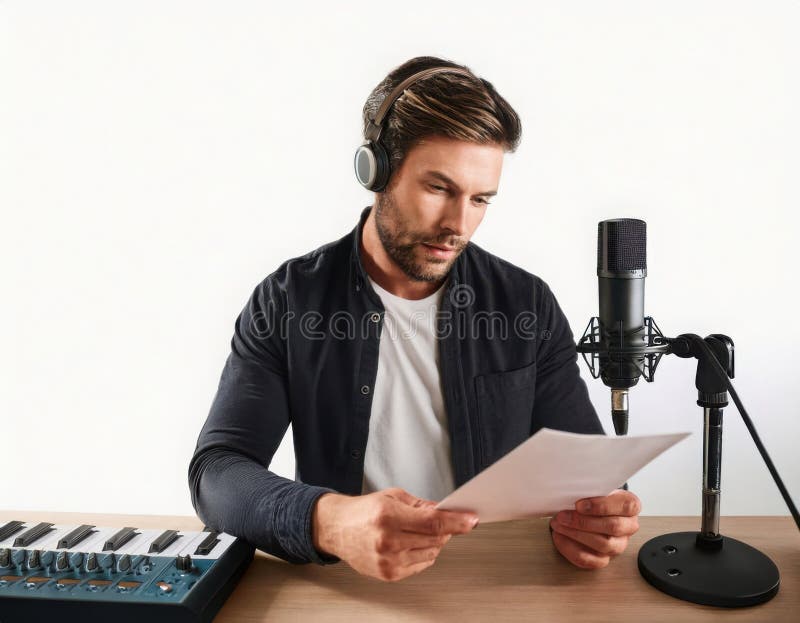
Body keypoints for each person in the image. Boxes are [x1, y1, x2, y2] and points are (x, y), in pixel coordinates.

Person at [188, 55, 641, 583]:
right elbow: (216, 472)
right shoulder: (288, 301)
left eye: (479, 200)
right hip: (346, 587)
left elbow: (583, 469)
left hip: (494, 583)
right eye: (439, 189)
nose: (457, 225)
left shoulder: (527, 305)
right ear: (375, 171)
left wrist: (599, 517)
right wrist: (329, 521)